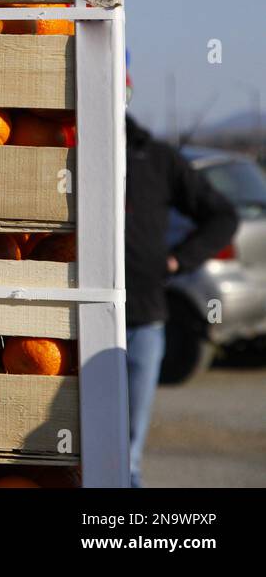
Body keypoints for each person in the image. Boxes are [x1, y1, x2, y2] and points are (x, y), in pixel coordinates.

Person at [123, 94, 238, 487]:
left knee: (127, 452)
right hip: (75, 326)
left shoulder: (157, 158)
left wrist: (177, 260)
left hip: (142, 322)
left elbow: (221, 215)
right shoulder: (69, 149)